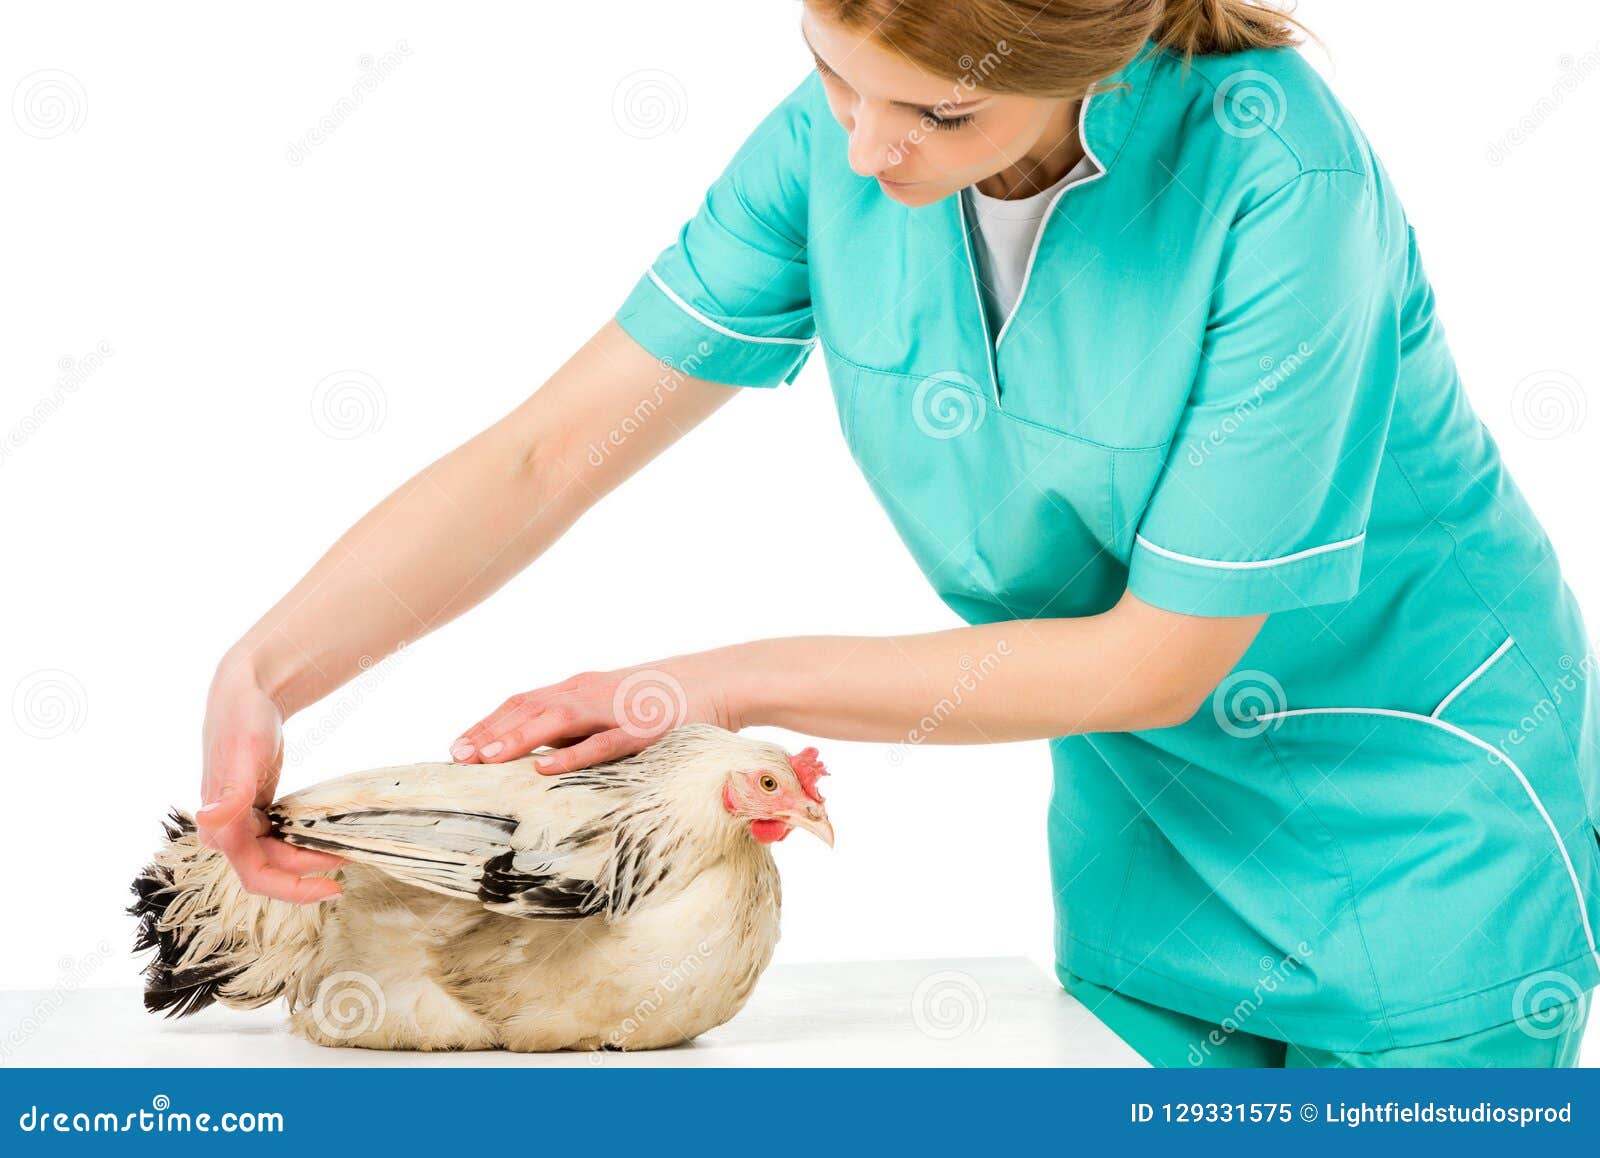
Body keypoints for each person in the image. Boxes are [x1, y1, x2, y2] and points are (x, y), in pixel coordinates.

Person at [195, 0, 1600, 1066]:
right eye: (829, 72)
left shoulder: (1283, 187)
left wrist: (713, 688)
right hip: (1150, 827)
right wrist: (262, 673)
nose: (865, 150)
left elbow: (1155, 660)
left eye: (937, 116)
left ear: (1089, 60)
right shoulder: (839, 140)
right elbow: (550, 450)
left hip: (1419, 821)